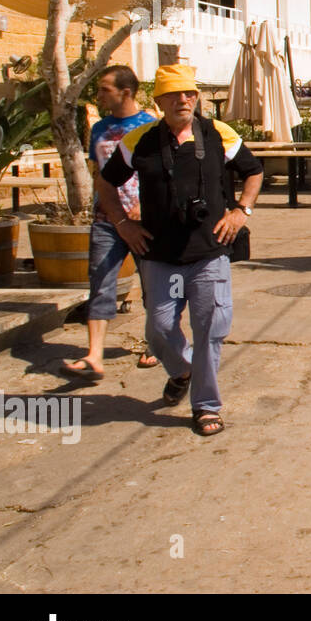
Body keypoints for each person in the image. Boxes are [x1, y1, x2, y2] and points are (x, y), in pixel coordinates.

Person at [98, 65, 263, 436]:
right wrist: (124, 225)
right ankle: (183, 370)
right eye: (174, 94)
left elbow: (254, 171)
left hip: (209, 253)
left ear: (196, 97)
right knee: (158, 331)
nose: (183, 100)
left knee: (211, 329)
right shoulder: (139, 141)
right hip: (161, 256)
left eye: (189, 93)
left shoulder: (218, 133)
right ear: (159, 101)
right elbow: (106, 183)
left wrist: (242, 211)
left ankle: (205, 406)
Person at [60, 65, 157, 381]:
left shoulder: (151, 127)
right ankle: (94, 354)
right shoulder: (100, 128)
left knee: (153, 284)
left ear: (124, 92)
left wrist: (145, 204)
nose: (98, 95)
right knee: (100, 281)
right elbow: (99, 173)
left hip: (146, 219)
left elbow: (160, 174)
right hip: (107, 218)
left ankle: (155, 343)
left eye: (104, 89)